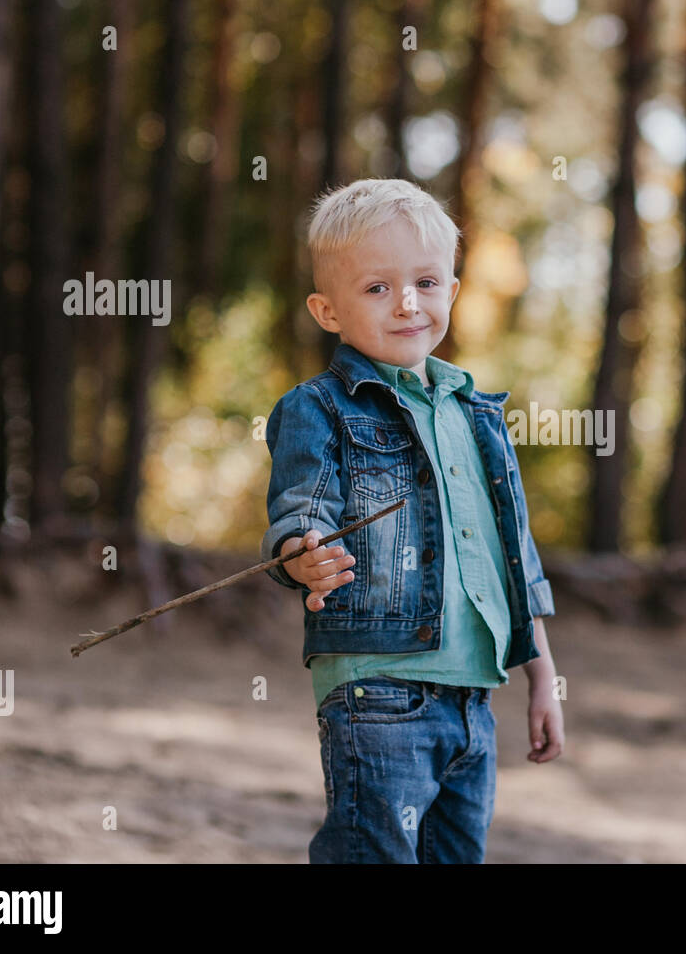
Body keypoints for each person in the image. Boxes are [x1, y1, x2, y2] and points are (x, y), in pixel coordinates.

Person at [261, 178, 564, 863]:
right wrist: (301, 552)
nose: (407, 303)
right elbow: (301, 507)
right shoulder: (321, 408)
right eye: (376, 288)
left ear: (452, 291)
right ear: (327, 309)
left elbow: (512, 558)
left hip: (472, 701)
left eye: (426, 282)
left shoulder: (478, 416)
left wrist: (543, 678)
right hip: (377, 689)